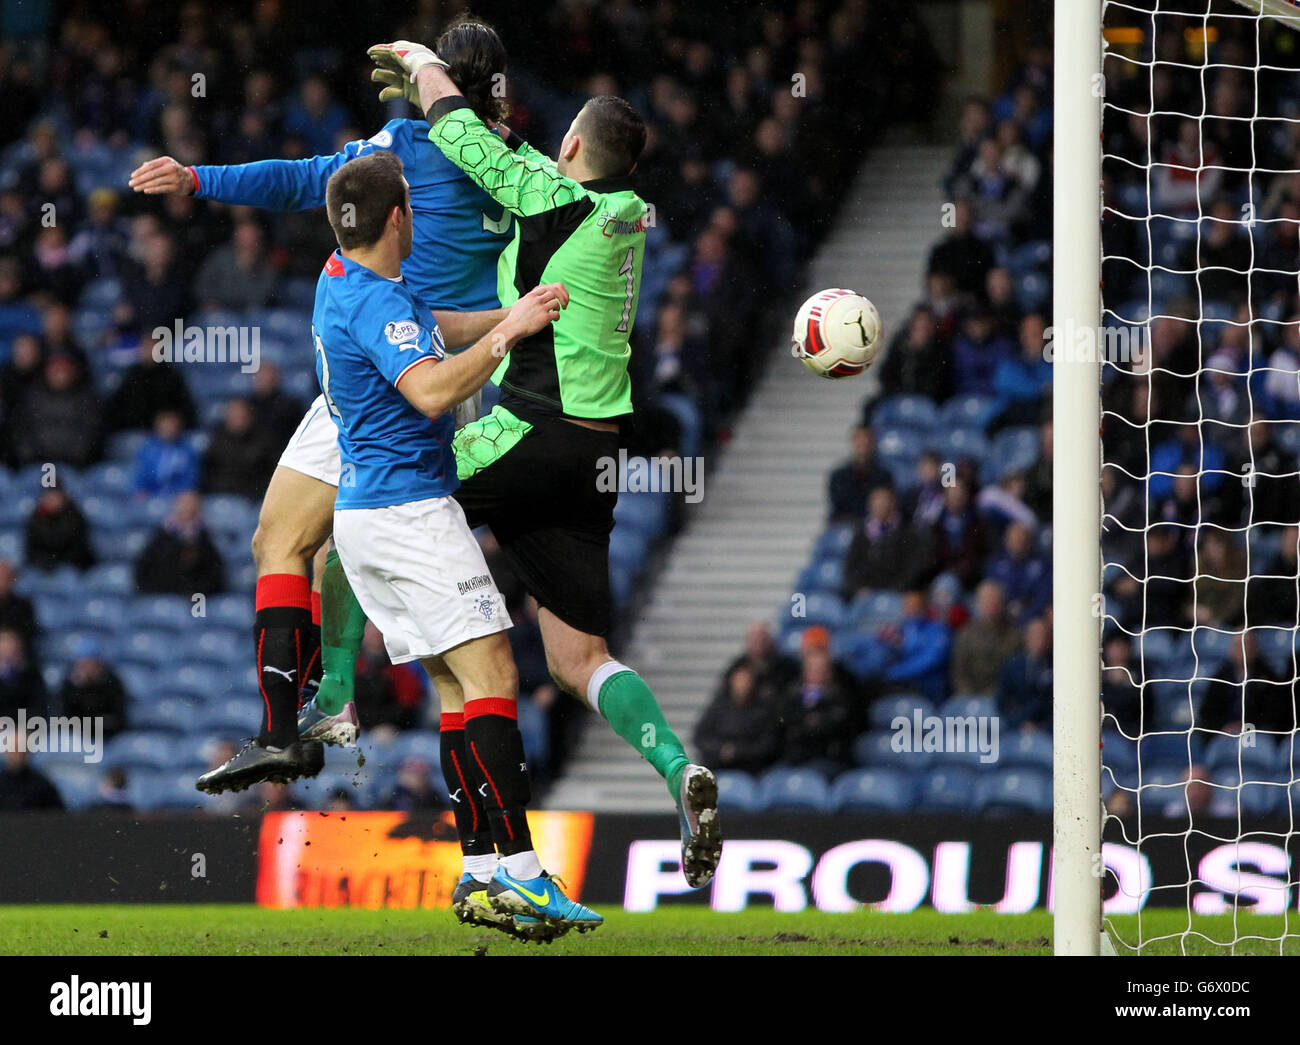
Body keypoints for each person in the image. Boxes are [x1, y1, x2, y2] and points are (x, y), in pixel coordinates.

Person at [204, 148, 596, 939]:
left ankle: (482, 872)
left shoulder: (340, 279)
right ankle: (522, 873)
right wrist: (511, 332)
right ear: (396, 219)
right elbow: (429, 388)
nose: (418, 214)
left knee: (457, 688)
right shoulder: (379, 304)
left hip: (364, 521)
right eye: (412, 204)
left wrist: (514, 312)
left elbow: (431, 327)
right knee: (493, 673)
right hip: (411, 513)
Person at [129, 17, 522, 780]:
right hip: (466, 372)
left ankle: (305, 718)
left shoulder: (405, 146)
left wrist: (200, 178)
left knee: (285, 542)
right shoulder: (517, 165)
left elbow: (304, 179)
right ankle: (332, 707)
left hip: (395, 368)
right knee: (345, 563)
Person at [377, 35, 722, 890]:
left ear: (573, 149)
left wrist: (426, 66)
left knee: (382, 486)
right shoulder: (620, 210)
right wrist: (492, 104)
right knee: (577, 658)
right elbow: (509, 151)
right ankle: (680, 768)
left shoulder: (558, 202)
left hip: (531, 427)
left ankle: (331, 687)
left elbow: (462, 140)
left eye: (561, 136)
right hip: (595, 462)